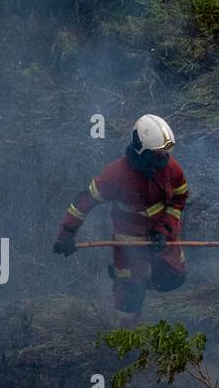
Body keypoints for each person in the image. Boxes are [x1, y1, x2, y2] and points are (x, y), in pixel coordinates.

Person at [53, 114, 188, 319]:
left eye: (165, 154)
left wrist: (163, 231)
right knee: (129, 299)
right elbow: (83, 203)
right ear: (140, 148)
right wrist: (66, 235)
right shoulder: (116, 175)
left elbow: (179, 198)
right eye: (157, 155)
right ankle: (125, 338)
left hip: (161, 237)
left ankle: (143, 281)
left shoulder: (171, 168)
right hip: (129, 244)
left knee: (174, 277)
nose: (163, 160)